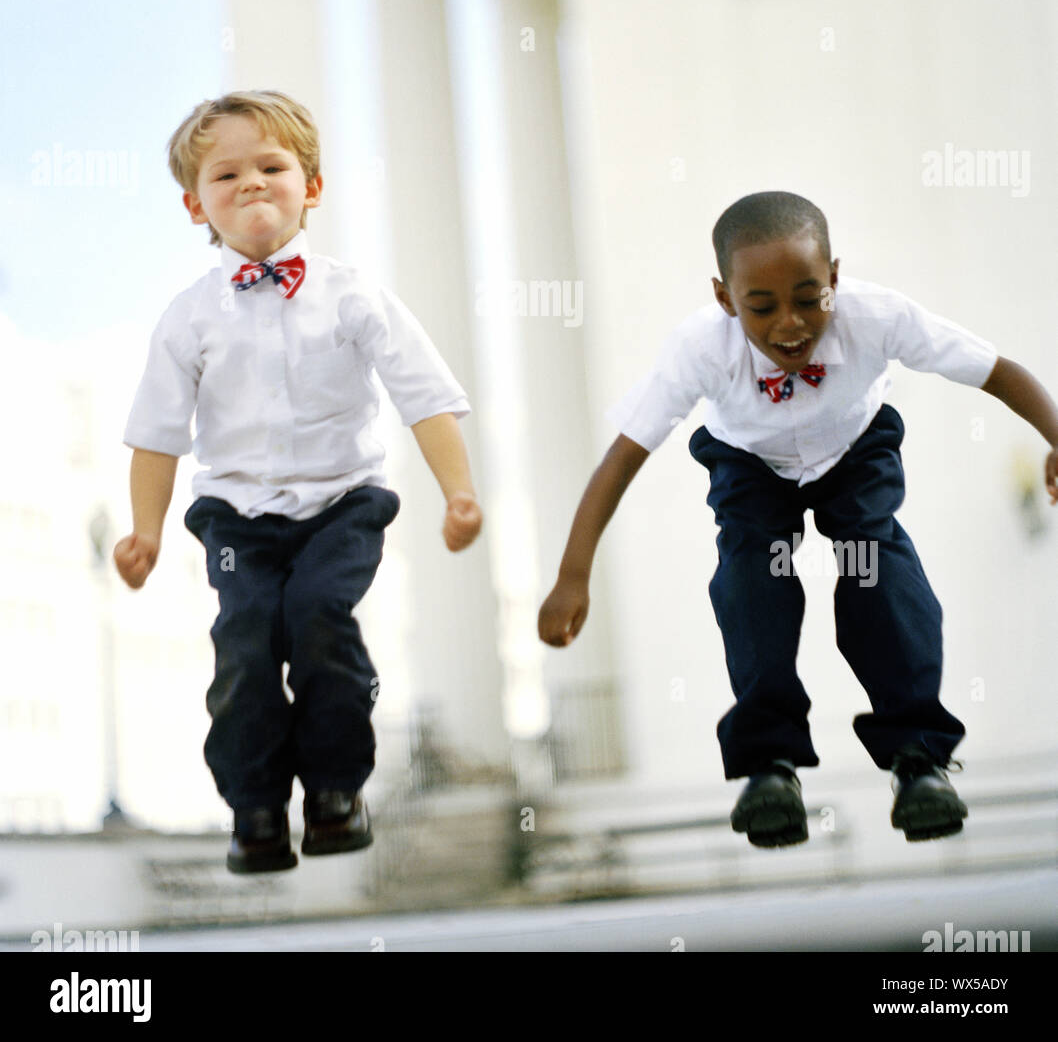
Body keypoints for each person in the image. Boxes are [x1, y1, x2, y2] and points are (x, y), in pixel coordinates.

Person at [538, 191, 1058, 847]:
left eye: (810, 299)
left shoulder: (877, 316)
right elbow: (622, 457)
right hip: (749, 464)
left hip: (854, 449)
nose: (791, 325)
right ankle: (768, 769)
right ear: (726, 298)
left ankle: (918, 760)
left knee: (874, 569)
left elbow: (995, 370)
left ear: (835, 279)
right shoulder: (700, 348)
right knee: (754, 578)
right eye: (762, 307)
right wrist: (572, 573)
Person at [113, 91, 482, 873]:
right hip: (237, 517)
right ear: (194, 205)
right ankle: (254, 807)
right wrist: (144, 531)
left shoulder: (354, 295)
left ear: (311, 186)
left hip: (341, 504)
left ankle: (335, 793)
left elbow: (424, 395)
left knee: (319, 620)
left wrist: (458, 491)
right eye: (226, 174)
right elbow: (156, 436)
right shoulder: (189, 317)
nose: (251, 183)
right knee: (246, 644)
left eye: (272, 166)